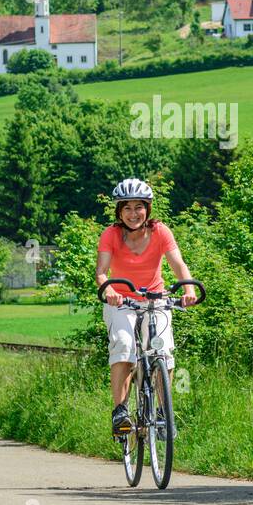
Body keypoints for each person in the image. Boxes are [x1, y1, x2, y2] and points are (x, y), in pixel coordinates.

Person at [94, 178, 197, 436]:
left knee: (163, 350)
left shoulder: (161, 231)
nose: (133, 214)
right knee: (124, 345)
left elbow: (178, 264)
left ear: (147, 209)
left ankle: (163, 413)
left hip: (156, 299)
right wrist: (109, 291)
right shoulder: (111, 235)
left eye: (138, 207)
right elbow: (102, 273)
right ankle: (120, 411)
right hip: (123, 302)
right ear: (119, 212)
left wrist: (188, 289)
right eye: (126, 208)